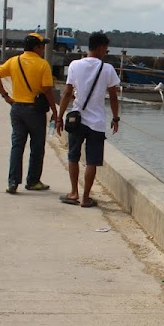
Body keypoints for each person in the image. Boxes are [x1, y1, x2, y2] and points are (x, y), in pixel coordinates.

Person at [55, 32, 120, 208]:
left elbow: (67, 93)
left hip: (77, 119)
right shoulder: (108, 69)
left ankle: (74, 192)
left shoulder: (75, 65)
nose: (106, 52)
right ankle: (85, 198)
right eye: (106, 49)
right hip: (97, 123)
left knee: (73, 156)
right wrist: (115, 118)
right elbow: (113, 97)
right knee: (92, 161)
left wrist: (59, 118)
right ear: (100, 48)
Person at [0, 32, 59, 194]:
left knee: (17, 146)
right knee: (37, 147)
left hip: (17, 109)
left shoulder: (14, 61)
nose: (43, 49)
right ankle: (33, 181)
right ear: (36, 47)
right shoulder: (43, 65)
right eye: (42, 46)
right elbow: (48, 91)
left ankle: (13, 182)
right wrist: (55, 112)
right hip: (35, 111)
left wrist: (6, 96)